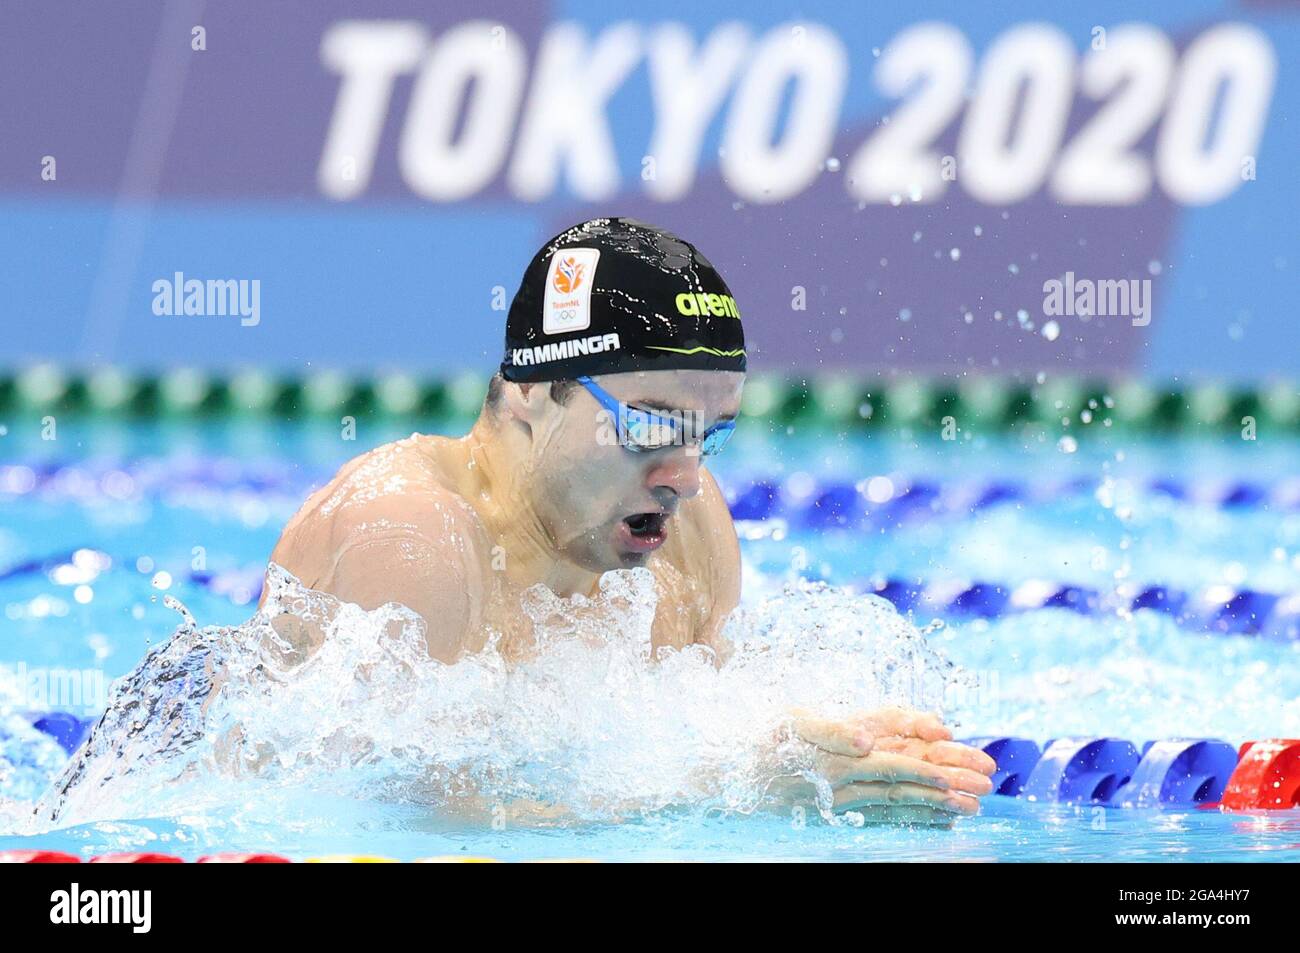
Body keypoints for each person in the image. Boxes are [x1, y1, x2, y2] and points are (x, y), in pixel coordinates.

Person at [263, 217, 994, 824]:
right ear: (531, 390)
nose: (685, 476)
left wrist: (835, 751)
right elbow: (406, 816)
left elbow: (684, 729)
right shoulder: (411, 535)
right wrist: (744, 787)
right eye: (650, 424)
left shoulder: (693, 539)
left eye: (710, 433)